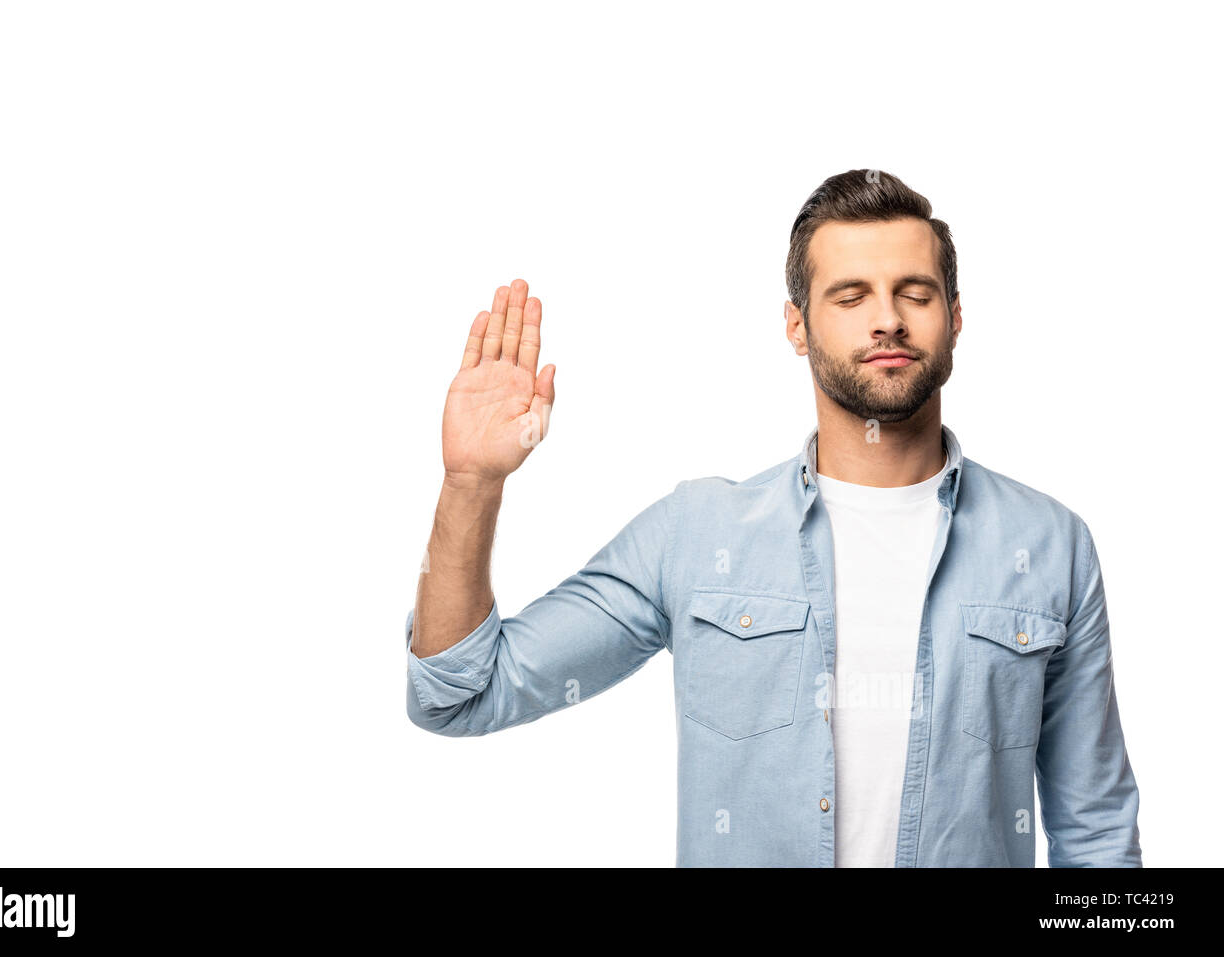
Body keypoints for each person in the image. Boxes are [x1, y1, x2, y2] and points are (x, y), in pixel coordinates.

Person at [403, 169, 1142, 868]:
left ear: (954, 316)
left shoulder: (1049, 545)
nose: (886, 319)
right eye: (850, 295)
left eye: (913, 292)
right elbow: (459, 693)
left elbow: (1097, 829)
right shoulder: (697, 534)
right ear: (796, 325)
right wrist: (471, 484)